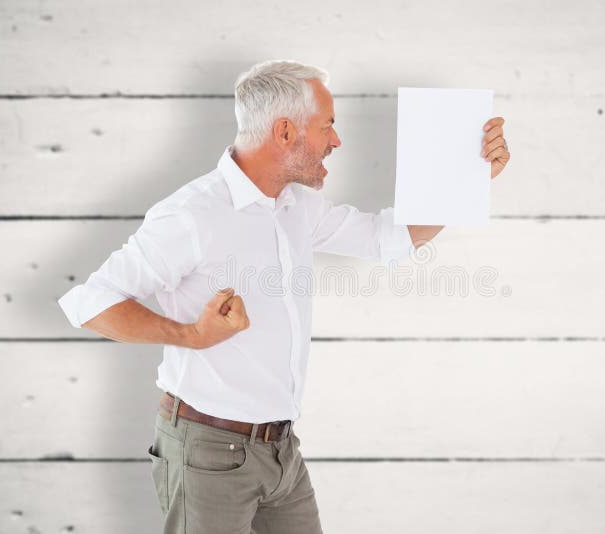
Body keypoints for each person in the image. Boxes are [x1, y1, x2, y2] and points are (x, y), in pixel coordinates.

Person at [57, 59, 510, 534]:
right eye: (328, 125)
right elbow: (92, 301)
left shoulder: (296, 206)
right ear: (286, 132)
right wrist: (190, 334)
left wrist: (470, 177)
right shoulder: (191, 215)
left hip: (281, 450)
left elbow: (384, 239)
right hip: (207, 453)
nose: (336, 140)